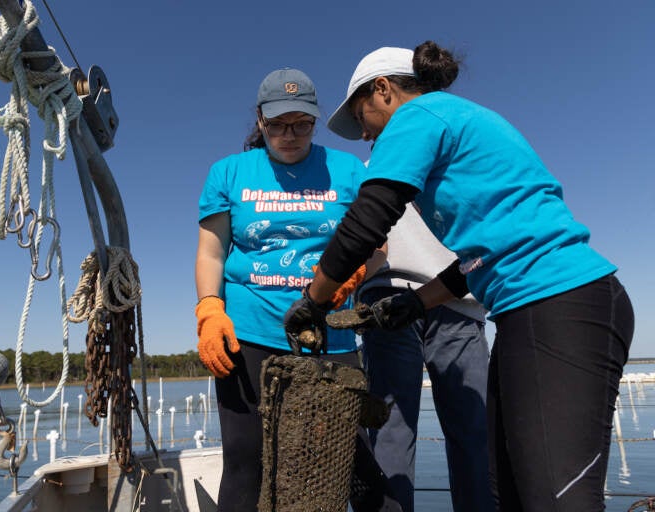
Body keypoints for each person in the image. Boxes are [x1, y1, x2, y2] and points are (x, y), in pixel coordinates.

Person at [283, 42, 634, 512]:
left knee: (556, 500)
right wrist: (416, 302)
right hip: (527, 311)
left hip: (560, 303)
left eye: (361, 117)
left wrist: (315, 300)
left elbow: (370, 219)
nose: (365, 135)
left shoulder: (418, 116)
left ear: (383, 90)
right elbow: (482, 257)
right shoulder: (458, 118)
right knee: (503, 487)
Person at [195, 67, 397, 511]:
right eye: (278, 124)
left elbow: (378, 245)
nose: (290, 135)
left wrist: (355, 273)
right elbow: (211, 253)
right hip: (245, 337)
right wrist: (210, 309)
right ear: (261, 120)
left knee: (340, 459)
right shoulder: (228, 172)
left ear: (315, 120)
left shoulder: (347, 169)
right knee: (245, 461)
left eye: (302, 123)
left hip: (330, 336)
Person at [358, 204, 493, 512]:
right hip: (393, 297)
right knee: (466, 433)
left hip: (453, 298)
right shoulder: (365, 173)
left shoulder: (367, 171)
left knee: (469, 433)